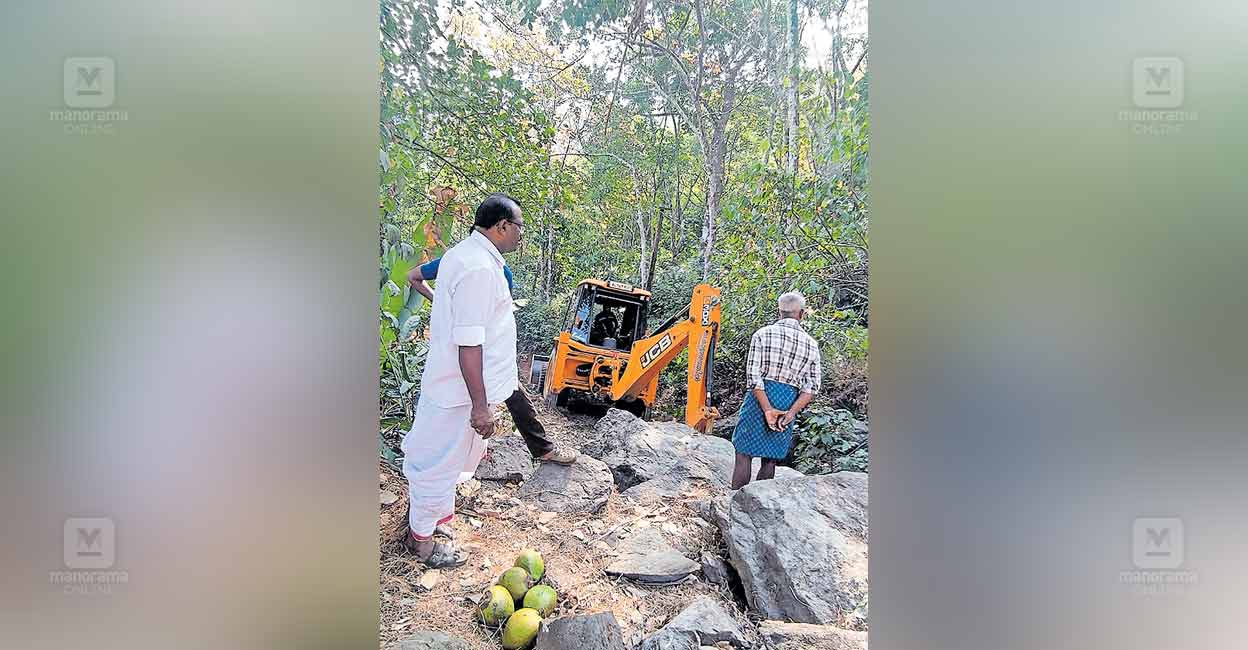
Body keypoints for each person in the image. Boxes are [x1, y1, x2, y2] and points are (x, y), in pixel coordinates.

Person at [398, 193, 526, 567]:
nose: (520, 235)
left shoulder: (462, 256)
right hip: (459, 392)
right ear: (501, 226)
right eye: (519, 227)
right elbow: (469, 346)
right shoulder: (479, 270)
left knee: (445, 460)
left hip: (453, 387)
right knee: (437, 464)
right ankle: (420, 544)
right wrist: (481, 406)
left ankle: (433, 524)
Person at [407, 256, 577, 465]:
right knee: (510, 393)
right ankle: (541, 448)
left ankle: (441, 454)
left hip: (458, 343)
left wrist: (443, 306)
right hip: (479, 344)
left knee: (451, 395)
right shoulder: (497, 270)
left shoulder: (452, 261)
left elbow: (413, 277)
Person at [730, 292, 823, 490]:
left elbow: (754, 378)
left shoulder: (762, 334)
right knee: (770, 458)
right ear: (802, 314)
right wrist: (791, 412)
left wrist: (766, 409)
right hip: (788, 400)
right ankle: (759, 505)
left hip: (760, 398)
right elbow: (812, 387)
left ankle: (733, 504)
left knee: (743, 453)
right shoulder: (811, 345)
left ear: (778, 312)